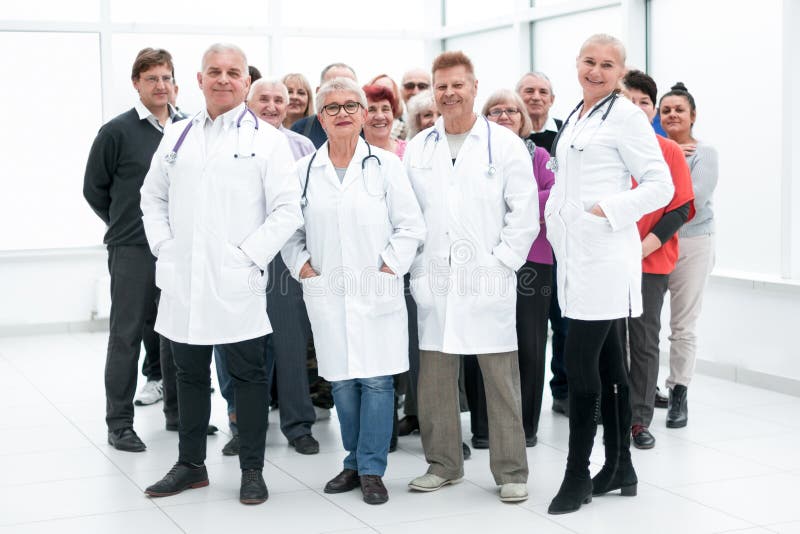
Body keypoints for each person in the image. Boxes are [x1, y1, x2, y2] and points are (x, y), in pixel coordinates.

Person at [140, 43, 303, 505]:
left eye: (233, 72)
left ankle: (252, 468)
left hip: (236, 277)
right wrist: (165, 248)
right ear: (199, 79)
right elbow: (152, 198)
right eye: (215, 71)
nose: (224, 79)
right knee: (187, 374)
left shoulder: (267, 140)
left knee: (248, 375)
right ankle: (191, 464)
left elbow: (288, 209)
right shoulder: (177, 135)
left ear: (246, 82)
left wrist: (249, 255)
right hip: (184, 277)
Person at [544, 34, 673, 514]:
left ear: (621, 72)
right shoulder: (578, 115)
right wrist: (557, 221)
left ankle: (576, 475)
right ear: (577, 64)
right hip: (574, 254)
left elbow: (661, 186)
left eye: (607, 65)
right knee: (609, 367)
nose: (596, 71)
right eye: (589, 62)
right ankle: (621, 466)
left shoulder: (626, 117)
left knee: (580, 366)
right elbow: (567, 178)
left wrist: (606, 209)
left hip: (604, 256)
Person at [282, 77, 426, 505]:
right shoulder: (303, 171)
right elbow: (290, 233)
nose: (342, 113)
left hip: (375, 289)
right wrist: (304, 269)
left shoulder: (386, 165)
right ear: (320, 118)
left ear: (364, 115)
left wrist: (387, 269)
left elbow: (411, 226)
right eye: (332, 107)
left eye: (351, 106)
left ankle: (371, 468)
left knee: (378, 381)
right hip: (328, 291)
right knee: (343, 381)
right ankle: (352, 461)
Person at [404, 51, 537, 503]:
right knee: (435, 380)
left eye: (457, 85)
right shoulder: (420, 146)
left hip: (488, 278)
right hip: (435, 280)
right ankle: (443, 464)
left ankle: (511, 470)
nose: (449, 93)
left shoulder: (504, 144)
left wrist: (501, 265)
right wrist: (418, 270)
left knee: (500, 381)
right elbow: (408, 215)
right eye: (441, 86)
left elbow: (525, 216)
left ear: (474, 87)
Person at [83, 47, 186, 452]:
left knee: (178, 334)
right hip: (133, 246)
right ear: (136, 84)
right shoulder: (117, 131)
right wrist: (124, 224)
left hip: (178, 248)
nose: (160, 86)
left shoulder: (188, 128)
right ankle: (120, 423)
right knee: (126, 335)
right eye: (151, 79)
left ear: (174, 82)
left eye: (166, 78)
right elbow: (94, 189)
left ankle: (179, 414)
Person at [212, 78, 318, 458]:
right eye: (264, 99)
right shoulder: (227, 140)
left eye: (279, 100)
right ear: (247, 100)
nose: (272, 106)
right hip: (238, 257)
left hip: (284, 256)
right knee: (236, 344)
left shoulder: (302, 146)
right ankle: (241, 424)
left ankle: (298, 424)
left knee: (289, 344)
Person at [464, 89, 554, 448]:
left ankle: (525, 427)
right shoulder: (471, 157)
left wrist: (514, 205)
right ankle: (483, 428)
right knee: (479, 342)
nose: (503, 116)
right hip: (483, 260)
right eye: (495, 110)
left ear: (523, 118)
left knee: (529, 345)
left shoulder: (541, 156)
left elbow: (554, 195)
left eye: (511, 110)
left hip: (534, 259)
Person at [621, 71, 695, 450]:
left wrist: (642, 247)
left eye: (643, 102)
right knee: (608, 339)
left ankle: (638, 419)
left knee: (644, 340)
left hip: (650, 261)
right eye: (628, 101)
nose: (636, 108)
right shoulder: (605, 150)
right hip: (605, 261)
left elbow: (680, 207)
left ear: (651, 109)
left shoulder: (667, 151)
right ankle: (610, 410)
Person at [660, 82, 718, 429]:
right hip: (655, 243)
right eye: (665, 110)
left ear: (692, 115)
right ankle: (645, 389)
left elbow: (691, 201)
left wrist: (668, 172)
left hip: (693, 243)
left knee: (683, 325)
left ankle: (678, 393)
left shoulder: (704, 153)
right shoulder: (654, 152)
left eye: (679, 110)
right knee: (643, 322)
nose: (672, 115)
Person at [516, 71, 569, 415]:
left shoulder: (565, 134)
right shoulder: (507, 138)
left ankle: (563, 390)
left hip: (560, 246)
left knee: (563, 323)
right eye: (528, 91)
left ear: (551, 99)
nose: (535, 97)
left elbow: (564, 189)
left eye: (543, 91)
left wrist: (521, 205)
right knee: (529, 335)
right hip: (524, 253)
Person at [291, 63, 357, 148]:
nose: (341, 92)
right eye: (333, 86)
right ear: (319, 91)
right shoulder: (300, 129)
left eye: (349, 86)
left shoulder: (369, 128)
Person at [362, 84, 406, 158]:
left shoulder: (409, 151)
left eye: (385, 109)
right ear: (361, 116)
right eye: (372, 110)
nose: (380, 116)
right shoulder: (351, 154)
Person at [368, 74, 407, 140]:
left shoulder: (406, 130)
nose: (383, 94)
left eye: (389, 91)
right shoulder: (359, 131)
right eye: (378, 89)